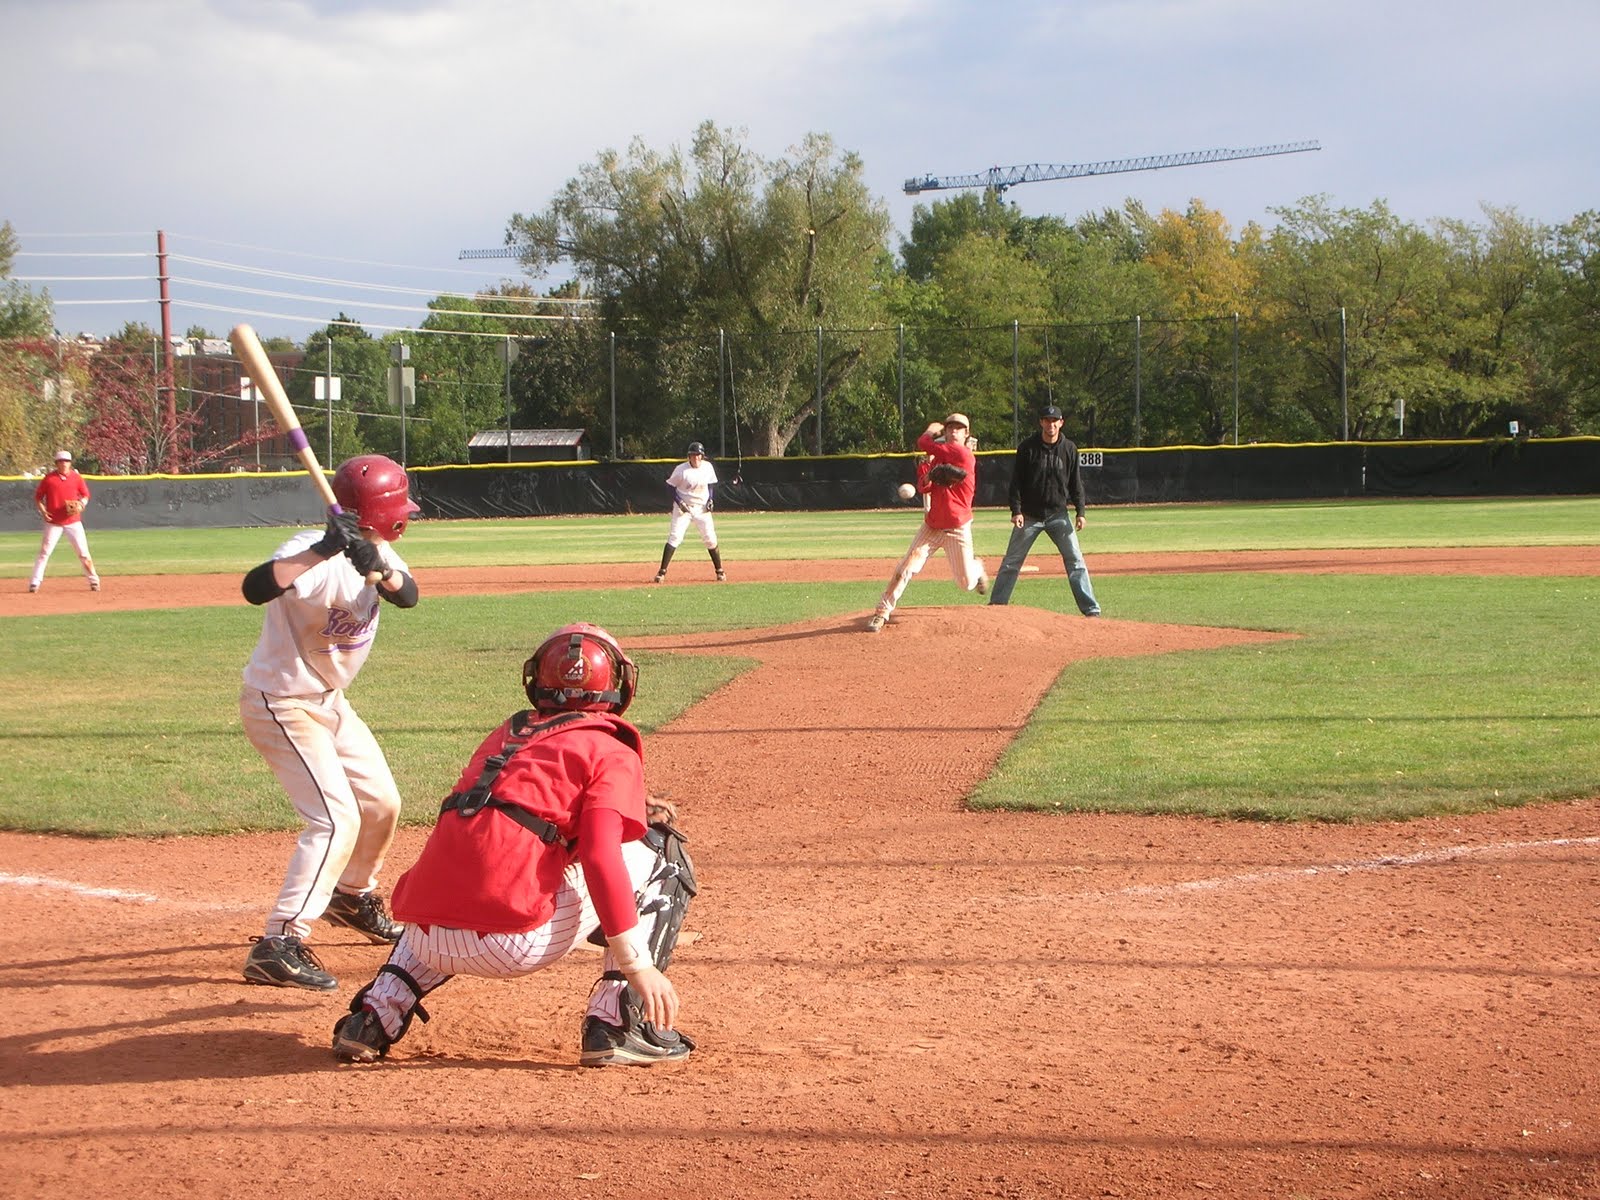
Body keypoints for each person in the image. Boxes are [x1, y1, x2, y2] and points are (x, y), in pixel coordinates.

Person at [330, 622, 697, 1068]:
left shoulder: (505, 736)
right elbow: (600, 855)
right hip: (515, 944)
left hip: (423, 937)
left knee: (461, 873)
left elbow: (527, 804)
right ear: (618, 684)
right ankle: (619, 1022)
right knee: (662, 853)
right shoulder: (609, 749)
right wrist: (637, 964)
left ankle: (375, 1014)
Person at [239, 454, 421, 992]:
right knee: (335, 818)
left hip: (330, 702)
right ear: (381, 512)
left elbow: (408, 596)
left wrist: (380, 567)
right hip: (282, 702)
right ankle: (280, 943)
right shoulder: (305, 553)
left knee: (382, 802)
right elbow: (254, 588)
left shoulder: (380, 549)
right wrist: (325, 549)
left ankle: (351, 895)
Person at [865, 413, 988, 632]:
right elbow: (924, 488)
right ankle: (882, 612)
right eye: (950, 428)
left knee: (966, 583)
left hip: (957, 528)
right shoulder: (938, 458)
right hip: (931, 526)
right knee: (905, 569)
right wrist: (928, 475)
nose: (953, 432)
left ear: (967, 434)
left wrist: (932, 430)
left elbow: (923, 442)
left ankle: (977, 567)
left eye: (959, 428)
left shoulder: (963, 455)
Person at [987, 405, 1102, 616]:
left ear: (1061, 423)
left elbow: (1076, 483)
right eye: (1047, 420)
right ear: (1041, 422)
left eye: (1054, 420)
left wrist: (1081, 512)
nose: (1051, 424)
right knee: (1012, 562)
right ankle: (996, 607)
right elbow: (1016, 483)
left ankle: (1091, 610)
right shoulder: (1027, 448)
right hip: (1029, 516)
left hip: (1059, 515)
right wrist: (1016, 511)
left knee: (1076, 561)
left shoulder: (1069, 448)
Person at [653, 441, 725, 583]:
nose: (696, 458)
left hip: (701, 508)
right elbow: (670, 487)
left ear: (702, 456)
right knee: (675, 537)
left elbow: (710, 484)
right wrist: (680, 502)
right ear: (689, 456)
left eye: (698, 455)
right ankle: (662, 572)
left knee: (710, 538)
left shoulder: (708, 467)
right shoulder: (681, 470)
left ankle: (720, 571)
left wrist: (711, 499)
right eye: (693, 455)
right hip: (683, 508)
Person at [29, 450, 99, 593]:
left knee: (83, 553)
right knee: (44, 552)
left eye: (67, 461)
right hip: (53, 523)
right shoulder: (49, 479)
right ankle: (35, 582)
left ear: (70, 463)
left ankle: (94, 581)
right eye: (61, 461)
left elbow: (86, 494)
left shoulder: (76, 478)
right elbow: (38, 497)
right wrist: (43, 511)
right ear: (56, 463)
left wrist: (81, 504)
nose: (64, 463)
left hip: (73, 522)